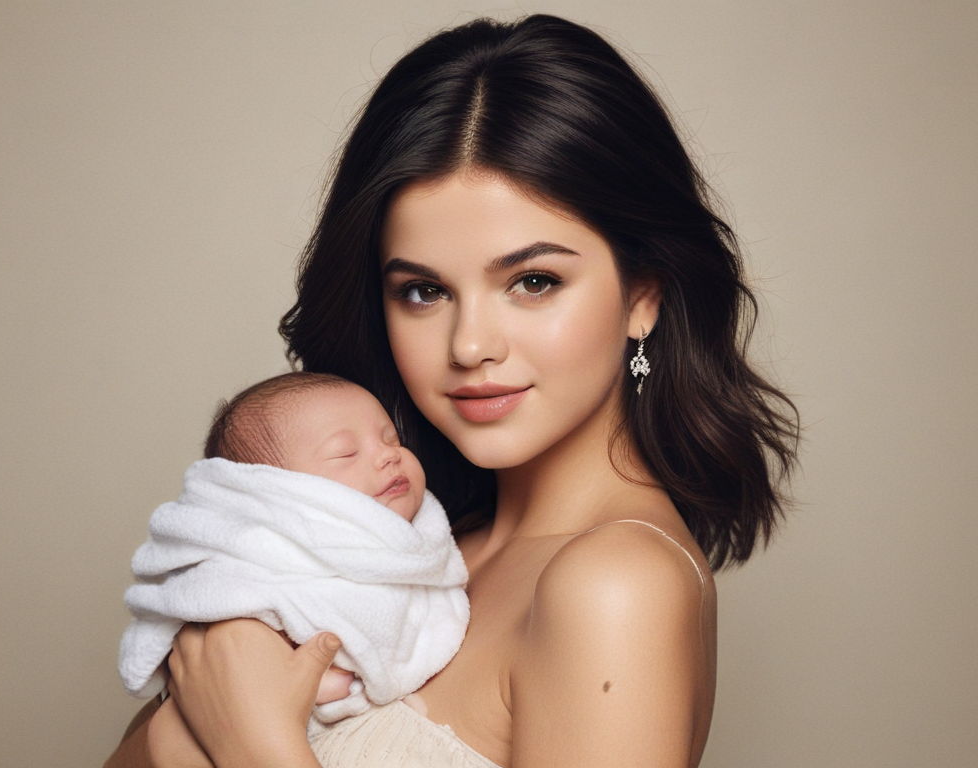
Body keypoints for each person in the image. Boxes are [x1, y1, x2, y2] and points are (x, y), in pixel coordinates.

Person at [106, 13, 797, 768]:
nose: (470, 346)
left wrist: (257, 743)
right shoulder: (407, 549)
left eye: (534, 282)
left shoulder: (616, 586)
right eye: (424, 291)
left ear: (643, 297)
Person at [117, 372, 469, 726]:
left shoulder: (421, 549)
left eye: (392, 438)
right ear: (279, 494)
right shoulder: (259, 565)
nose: (390, 455)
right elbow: (217, 653)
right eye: (346, 452)